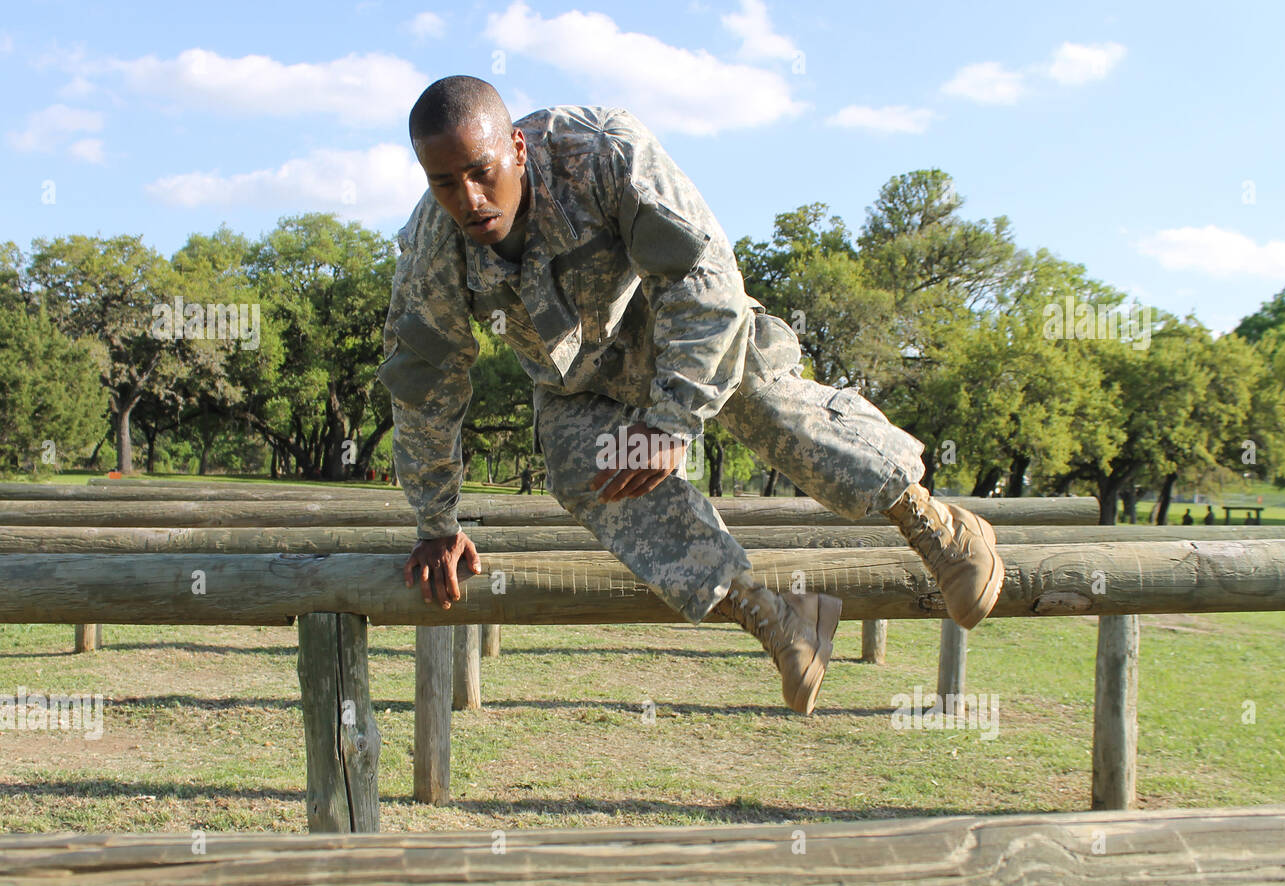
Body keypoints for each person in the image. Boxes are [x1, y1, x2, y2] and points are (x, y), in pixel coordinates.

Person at [378, 76, 1005, 715]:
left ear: (515, 147)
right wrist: (436, 525)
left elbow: (704, 278)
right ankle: (778, 616)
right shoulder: (434, 246)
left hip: (676, 329)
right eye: (445, 183)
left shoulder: (601, 151)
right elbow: (425, 383)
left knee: (758, 399)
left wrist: (670, 422)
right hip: (577, 381)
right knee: (579, 467)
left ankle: (939, 527)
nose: (470, 199)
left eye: (481, 172)